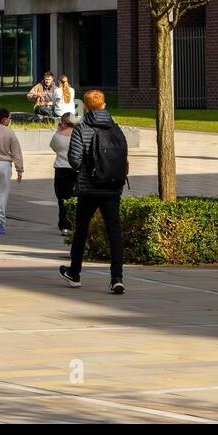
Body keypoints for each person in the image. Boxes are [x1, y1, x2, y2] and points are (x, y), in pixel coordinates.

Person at [61, 90, 128, 294]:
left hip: (89, 189)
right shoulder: (116, 128)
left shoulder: (82, 128)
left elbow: (74, 159)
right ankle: (117, 278)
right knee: (114, 231)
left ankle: (75, 273)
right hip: (112, 188)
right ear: (104, 105)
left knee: (81, 230)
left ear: (86, 107)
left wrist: (86, 171)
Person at [51, 113, 79, 233]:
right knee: (76, 197)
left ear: (63, 122)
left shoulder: (58, 136)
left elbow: (53, 146)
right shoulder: (78, 135)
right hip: (76, 169)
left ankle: (64, 225)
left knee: (62, 198)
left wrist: (58, 130)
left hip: (61, 168)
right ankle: (76, 223)